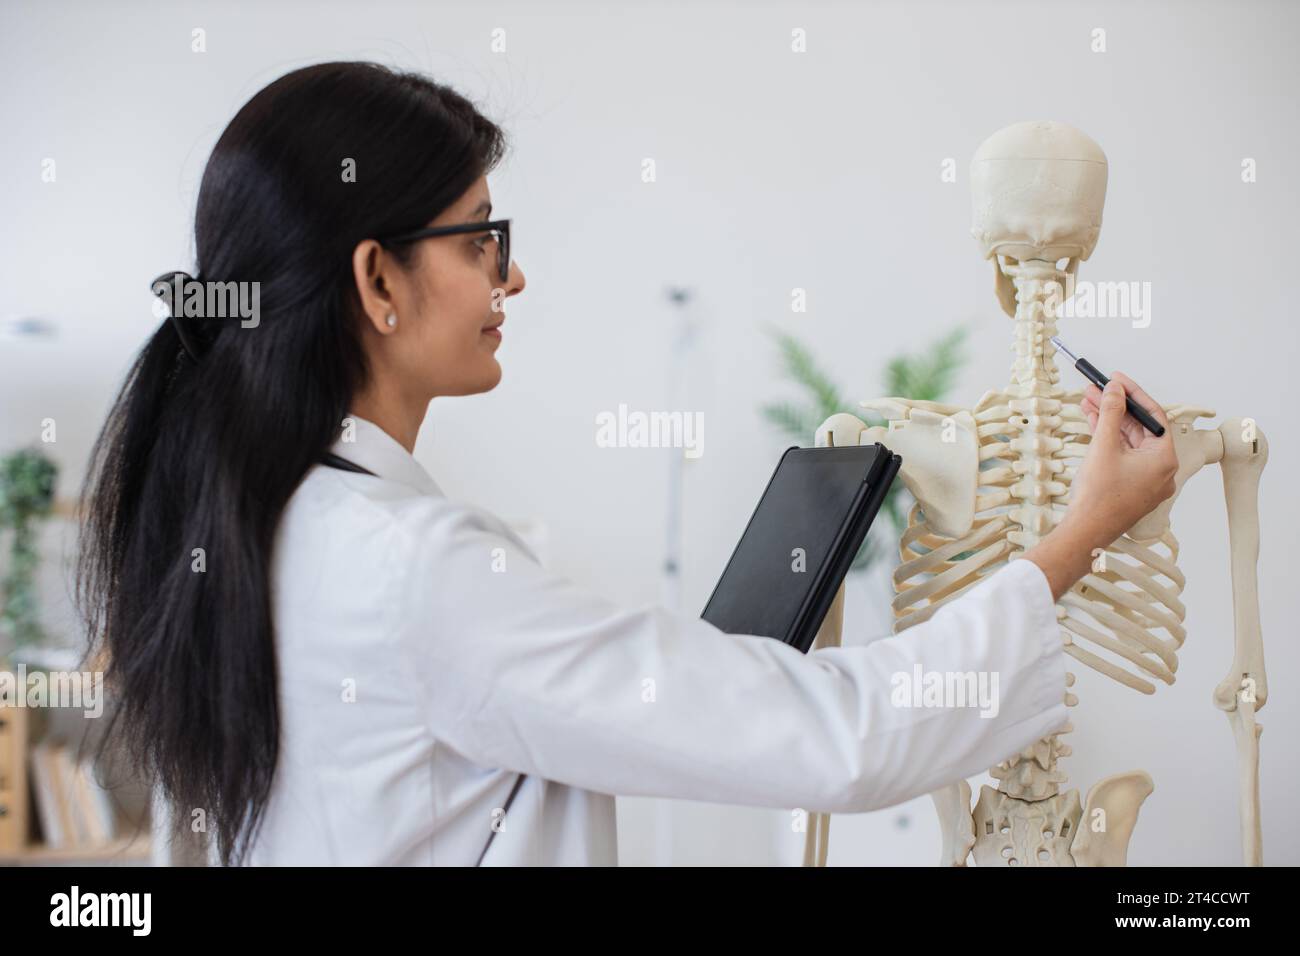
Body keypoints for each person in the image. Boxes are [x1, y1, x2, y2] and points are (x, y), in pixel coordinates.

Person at [76, 61, 1179, 866]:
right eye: (480, 240)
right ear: (378, 282)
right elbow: (848, 738)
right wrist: (1077, 533)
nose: (513, 279)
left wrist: (717, 679)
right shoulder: (414, 570)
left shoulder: (262, 523)